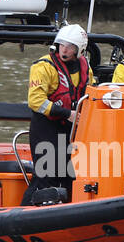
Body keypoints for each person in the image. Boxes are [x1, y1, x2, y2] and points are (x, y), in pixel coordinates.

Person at [26, 23, 93, 199]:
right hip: (46, 128)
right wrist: (67, 114)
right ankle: (26, 212)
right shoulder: (43, 67)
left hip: (72, 131)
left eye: (70, 46)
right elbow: (35, 101)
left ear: (79, 49)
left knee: (71, 176)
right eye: (62, 45)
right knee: (46, 177)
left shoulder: (86, 69)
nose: (64, 50)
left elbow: (90, 96)